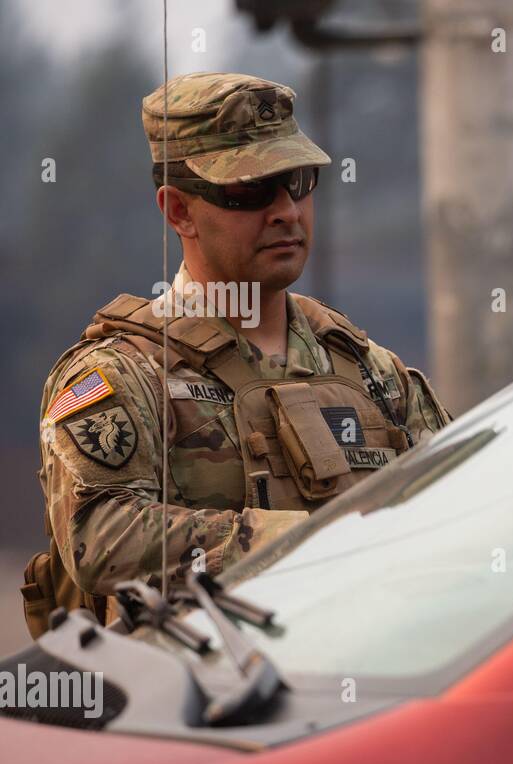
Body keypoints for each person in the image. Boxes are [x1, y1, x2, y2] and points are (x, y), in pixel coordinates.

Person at [22, 72, 451, 638]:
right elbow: (101, 540)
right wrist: (302, 542)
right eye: (249, 192)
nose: (286, 212)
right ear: (178, 211)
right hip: (196, 709)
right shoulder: (122, 374)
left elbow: (456, 513)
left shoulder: (371, 371)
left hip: (364, 694)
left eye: (296, 182)